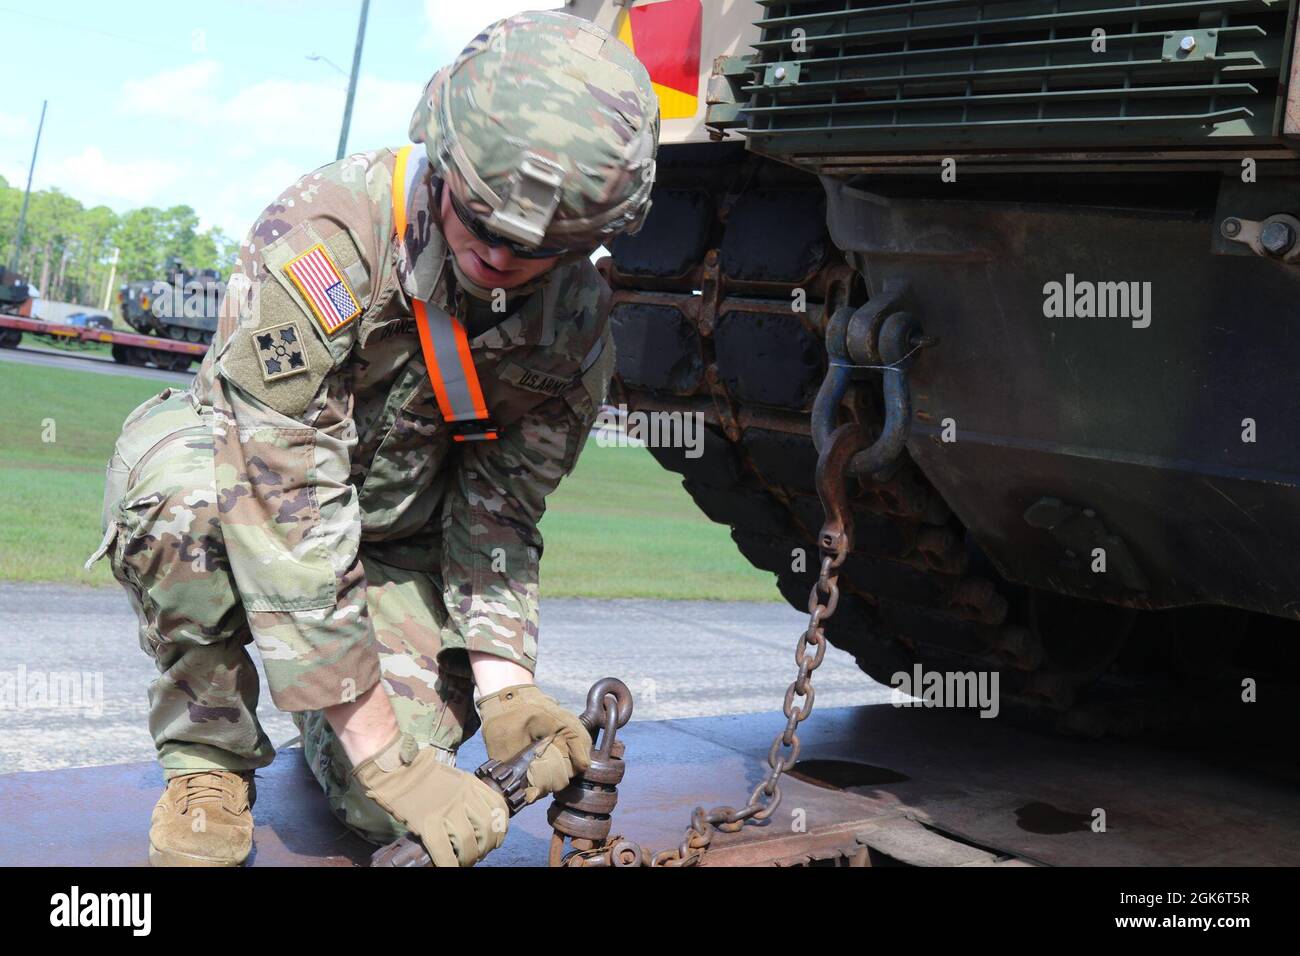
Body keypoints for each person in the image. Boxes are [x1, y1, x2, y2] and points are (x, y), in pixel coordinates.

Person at [88, 9, 658, 867]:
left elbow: (501, 509)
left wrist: (507, 685)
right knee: (180, 492)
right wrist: (383, 750)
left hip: (393, 550)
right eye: (483, 218)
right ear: (438, 157)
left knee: (388, 813)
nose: (502, 257)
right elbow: (283, 505)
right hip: (253, 510)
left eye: (541, 244)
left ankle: (339, 714)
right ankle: (209, 753)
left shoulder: (573, 323)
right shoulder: (324, 242)